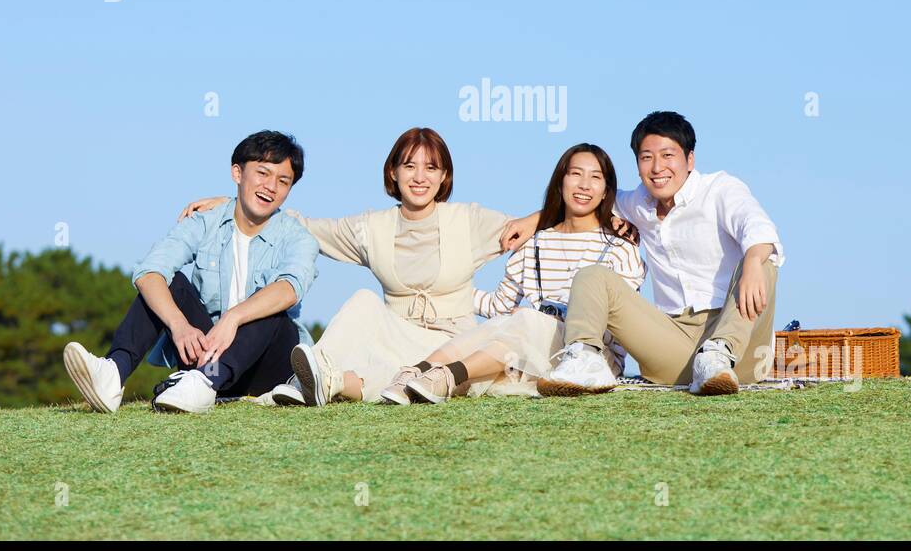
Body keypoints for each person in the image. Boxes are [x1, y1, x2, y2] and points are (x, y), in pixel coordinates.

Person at [180, 127, 514, 406]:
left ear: (444, 177)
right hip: (395, 338)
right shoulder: (373, 227)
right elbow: (306, 227)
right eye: (409, 166)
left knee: (390, 374)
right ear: (393, 173)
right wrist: (234, 203)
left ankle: (326, 384)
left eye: (431, 168)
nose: (419, 177)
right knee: (364, 300)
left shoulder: (469, 220)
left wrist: (535, 220)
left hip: (453, 343)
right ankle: (310, 379)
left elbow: (539, 227)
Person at [501, 111, 783, 396]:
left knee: (763, 260)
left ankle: (717, 354)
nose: (658, 167)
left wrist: (751, 263)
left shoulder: (720, 189)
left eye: (668, 155)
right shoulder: (637, 203)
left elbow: (758, 228)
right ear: (638, 165)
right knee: (593, 276)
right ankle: (586, 360)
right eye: (647, 157)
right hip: (675, 345)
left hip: (739, 349)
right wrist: (533, 221)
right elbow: (588, 199)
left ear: (690, 159)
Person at [62, 131, 319, 414]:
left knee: (271, 306)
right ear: (237, 172)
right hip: (205, 353)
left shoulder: (298, 238)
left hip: (265, 367)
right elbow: (148, 272)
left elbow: (289, 288)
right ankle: (113, 374)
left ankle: (204, 383)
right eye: (262, 173)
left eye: (283, 182)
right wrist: (178, 324)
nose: (270, 187)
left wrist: (233, 318)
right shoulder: (203, 223)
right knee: (170, 284)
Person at [389, 143, 645, 404]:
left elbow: (622, 324)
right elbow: (499, 305)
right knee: (501, 324)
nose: (584, 185)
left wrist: (546, 319)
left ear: (606, 192)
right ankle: (417, 373)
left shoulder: (620, 248)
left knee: (528, 321)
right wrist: (445, 290)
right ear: (561, 182)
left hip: (591, 358)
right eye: (576, 174)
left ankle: (448, 376)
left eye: (595, 177)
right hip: (532, 348)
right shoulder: (533, 243)